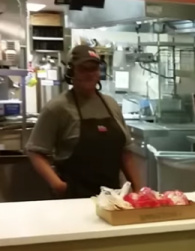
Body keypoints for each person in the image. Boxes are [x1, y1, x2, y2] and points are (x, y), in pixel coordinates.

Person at [26, 45, 141, 198]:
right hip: (73, 197)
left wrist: (138, 189)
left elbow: (125, 152)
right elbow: (35, 151)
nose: (89, 73)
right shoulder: (58, 107)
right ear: (71, 72)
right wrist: (58, 185)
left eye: (93, 68)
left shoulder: (111, 104)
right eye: (83, 68)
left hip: (112, 198)